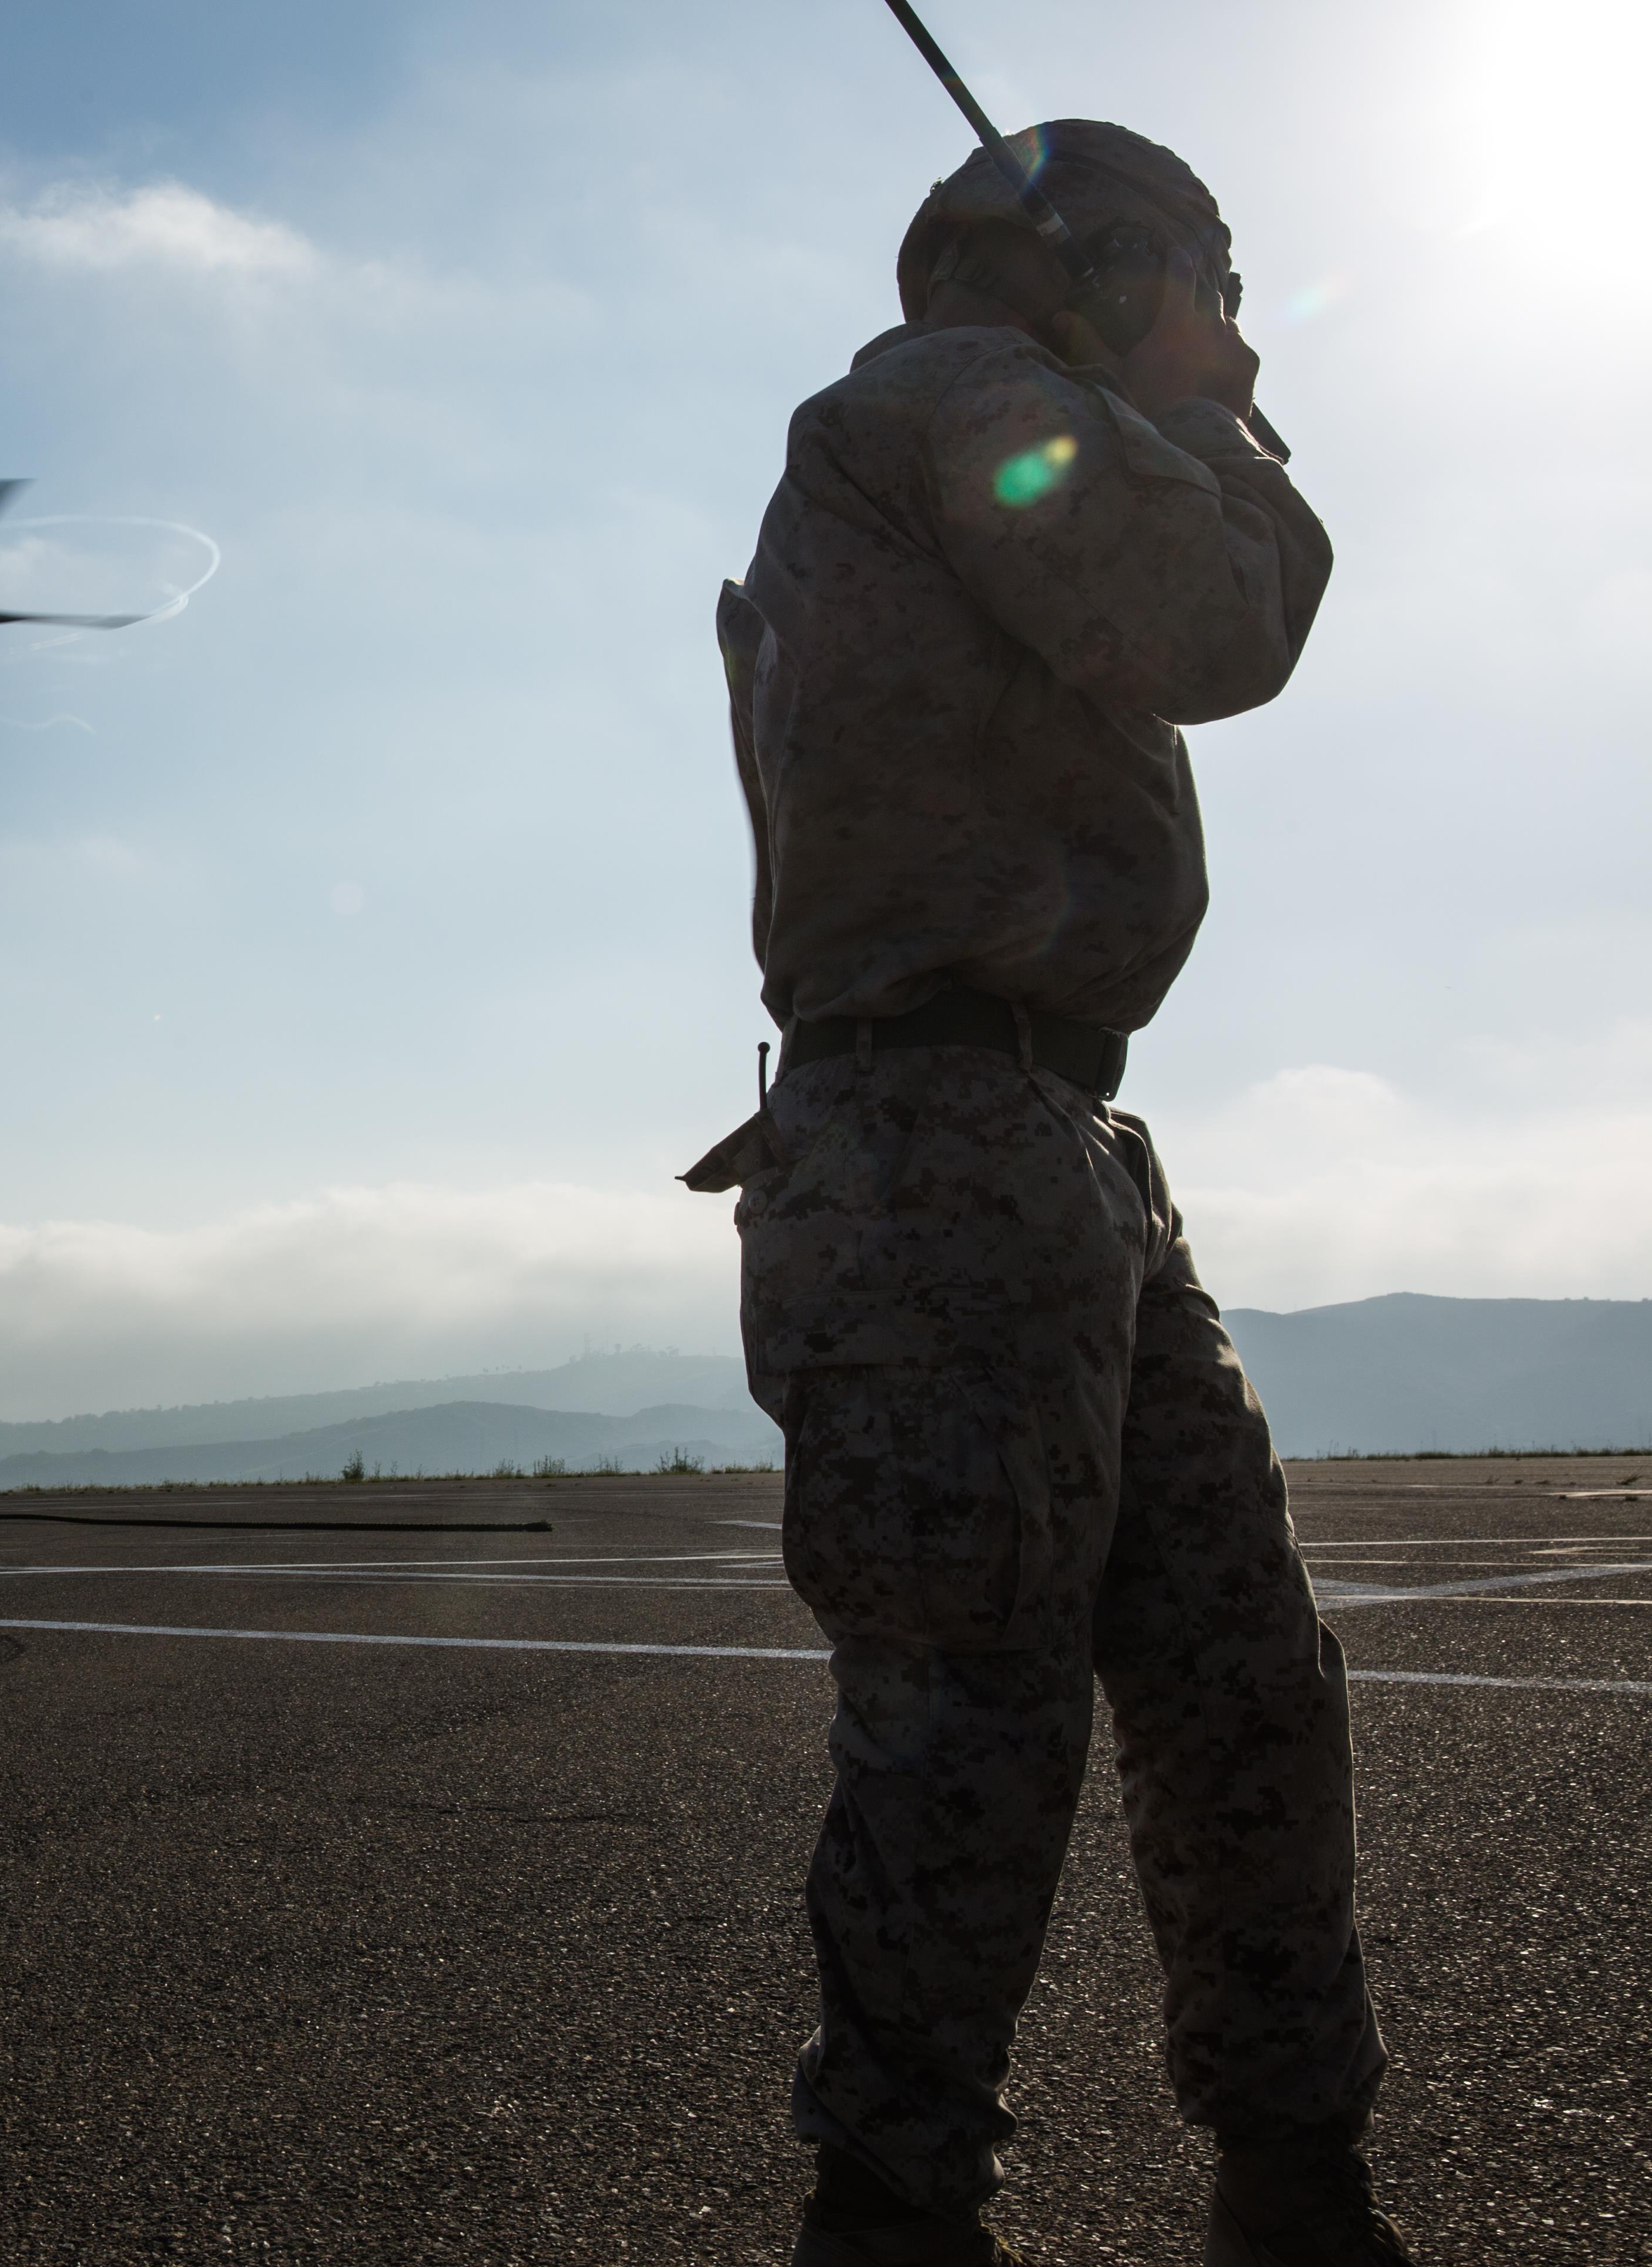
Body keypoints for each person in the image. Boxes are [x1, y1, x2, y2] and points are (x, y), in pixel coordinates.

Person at [678, 123, 1407, 2267]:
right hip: (940, 1146)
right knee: (969, 1727)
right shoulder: (955, 399)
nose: (1234, 329)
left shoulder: (966, 420)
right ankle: (891, 2218)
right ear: (1092, 272)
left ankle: (1296, 2181)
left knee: (1238, 1678)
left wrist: (1175, 386)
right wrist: (1224, 422)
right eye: (1206, 281)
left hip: (1047, 1134)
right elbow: (1218, 622)